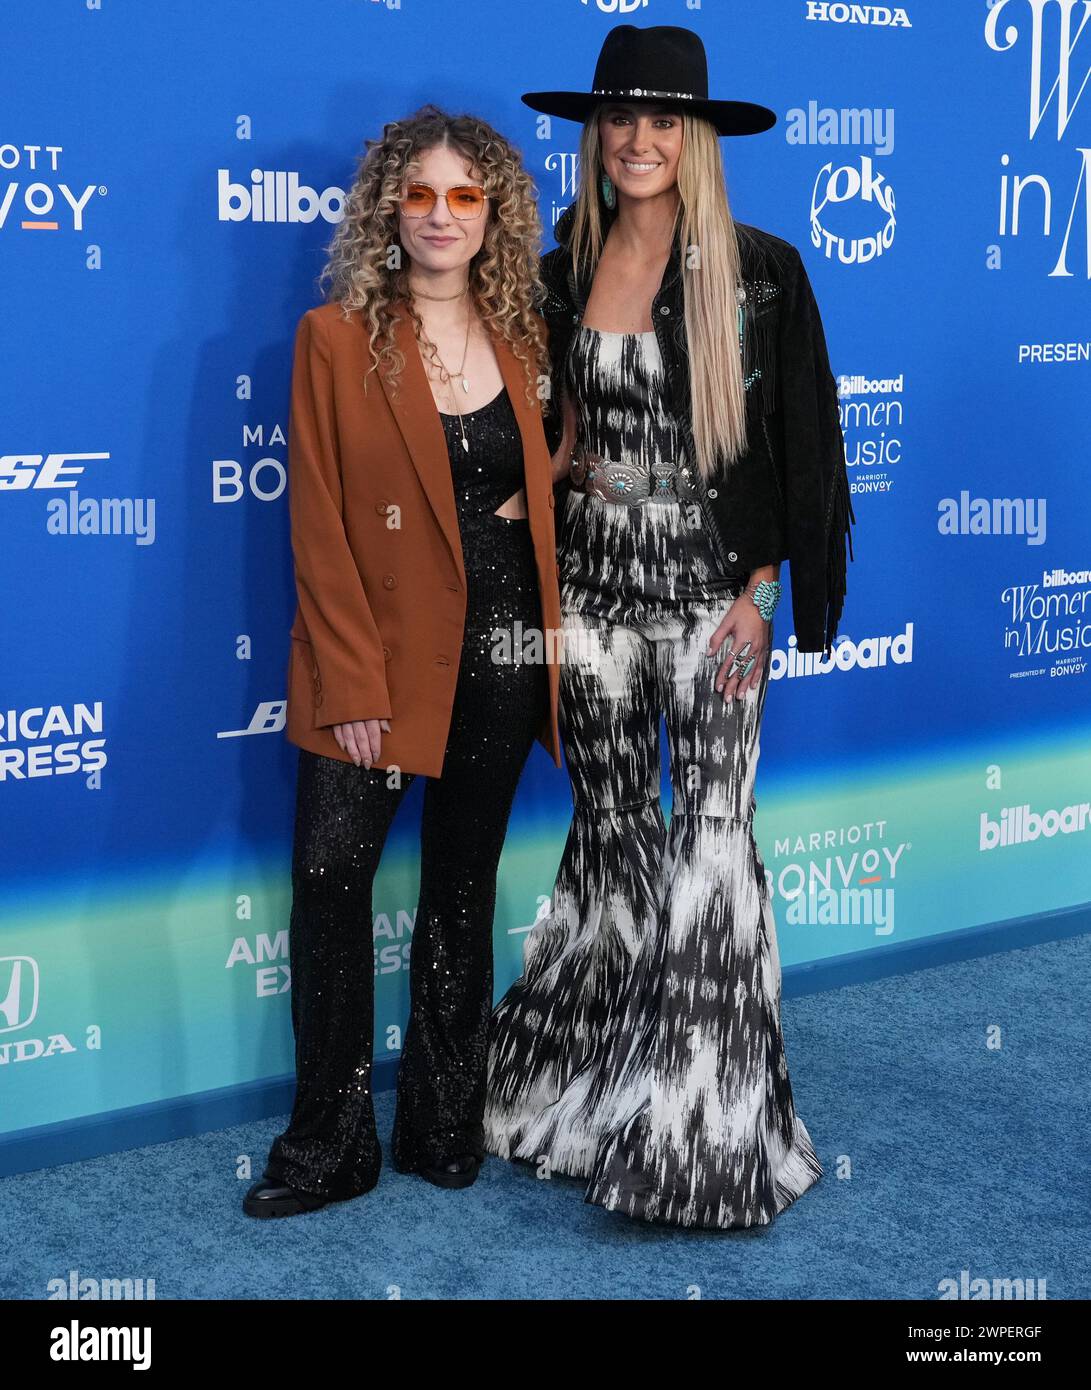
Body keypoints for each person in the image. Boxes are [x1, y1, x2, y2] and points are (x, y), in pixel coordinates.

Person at [485, 25, 856, 1231]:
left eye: (661, 121)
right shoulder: (550, 271)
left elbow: (802, 451)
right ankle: (581, 1101)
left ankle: (700, 1134)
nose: (637, 140)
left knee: (707, 838)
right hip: (587, 593)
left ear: (693, 139)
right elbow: (549, 435)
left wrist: (764, 594)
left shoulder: (758, 272)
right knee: (608, 836)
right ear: (593, 137)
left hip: (710, 598)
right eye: (617, 119)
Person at [244, 105, 563, 1218]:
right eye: (418, 193)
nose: (439, 215)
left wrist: (551, 489)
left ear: (494, 215)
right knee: (332, 883)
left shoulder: (525, 332)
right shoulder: (332, 338)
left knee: (461, 888)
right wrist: (354, 685)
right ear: (389, 205)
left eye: (463, 196)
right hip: (372, 659)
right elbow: (319, 526)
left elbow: (571, 446)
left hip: (503, 652)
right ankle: (329, 1143)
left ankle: (442, 1121)